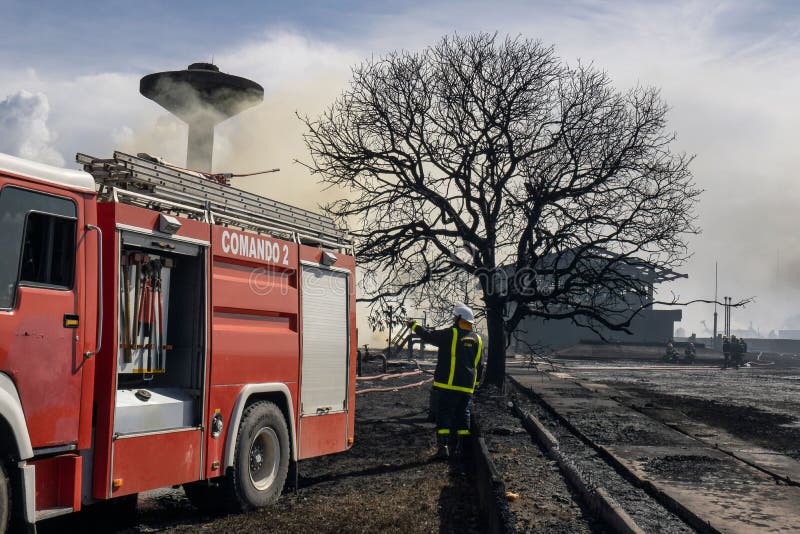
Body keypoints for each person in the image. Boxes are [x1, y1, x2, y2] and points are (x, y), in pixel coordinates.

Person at [407, 303, 483, 460]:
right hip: (467, 388)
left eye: (455, 316)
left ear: (459, 318)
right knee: (463, 416)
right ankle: (462, 451)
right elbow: (479, 365)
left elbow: (428, 336)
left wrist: (413, 325)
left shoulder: (450, 334)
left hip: (447, 385)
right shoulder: (478, 339)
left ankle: (444, 449)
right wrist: (474, 386)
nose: (454, 319)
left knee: (444, 416)